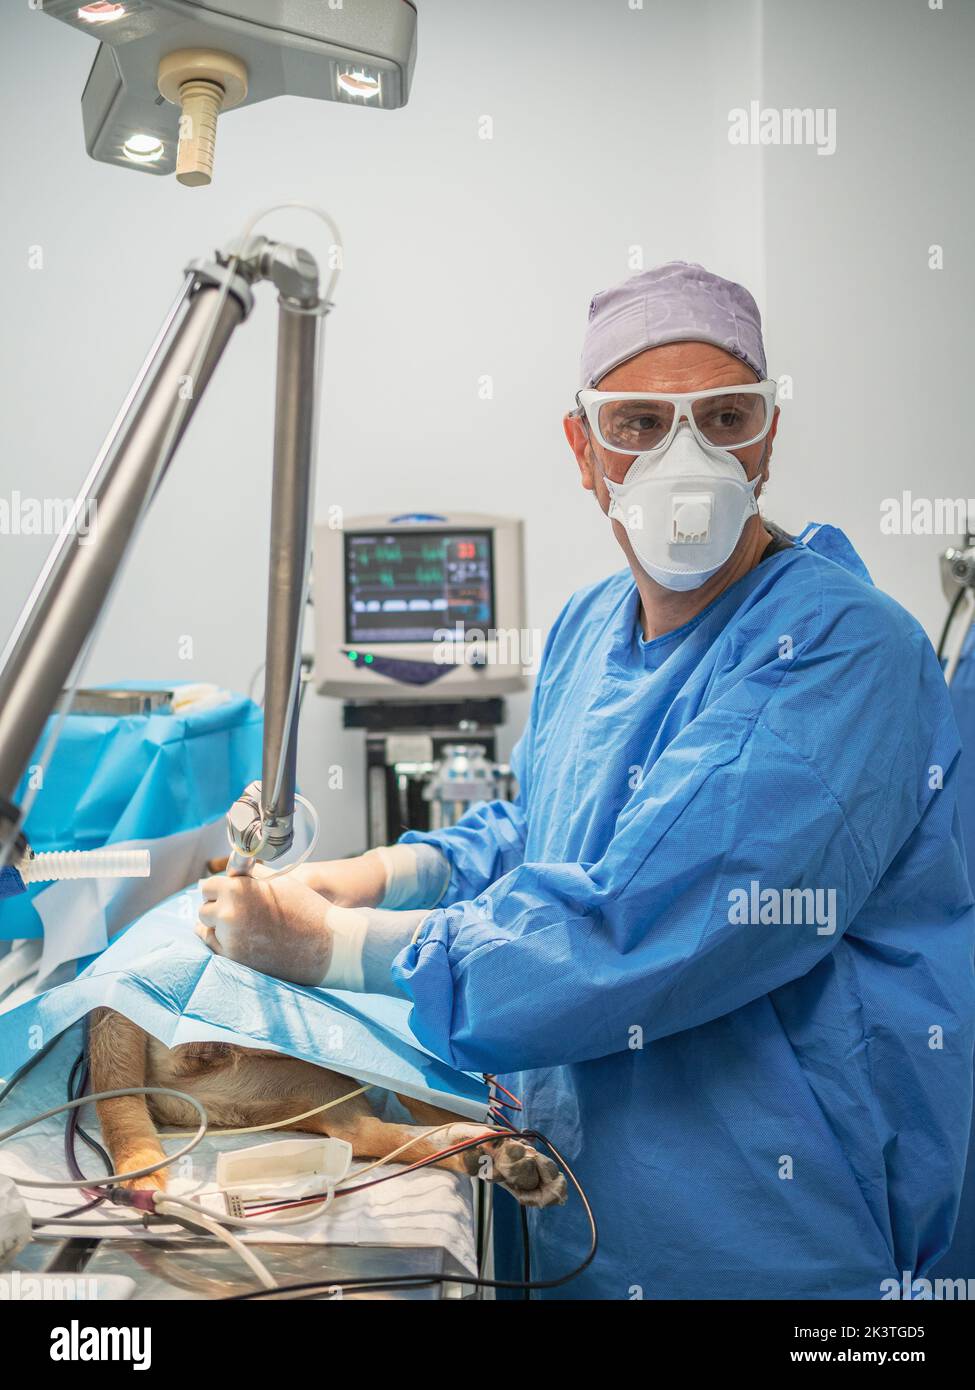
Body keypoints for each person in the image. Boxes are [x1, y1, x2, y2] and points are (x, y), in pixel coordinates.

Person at [197, 262, 975, 1300]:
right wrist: (385, 874)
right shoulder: (586, 627)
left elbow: (640, 920)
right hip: (575, 1211)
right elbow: (547, 831)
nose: (686, 457)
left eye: (725, 416)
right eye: (641, 423)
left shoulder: (842, 651)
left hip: (769, 1240)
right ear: (584, 448)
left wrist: (328, 946)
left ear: (769, 438)